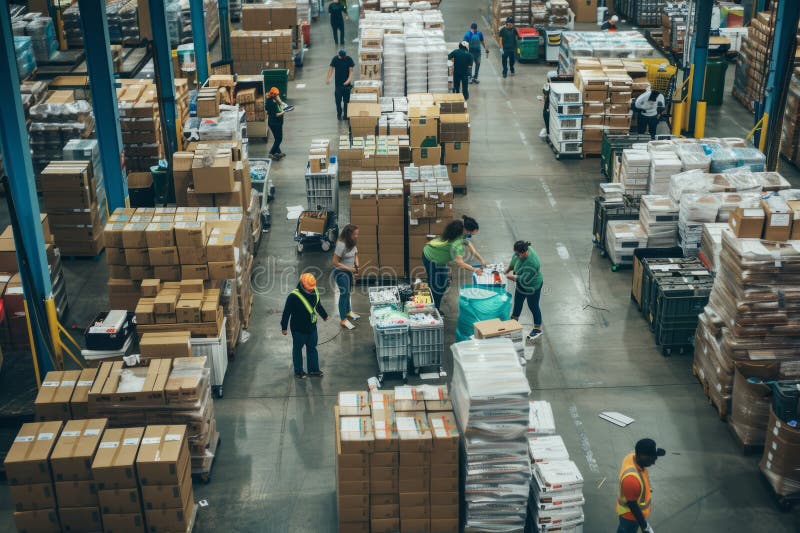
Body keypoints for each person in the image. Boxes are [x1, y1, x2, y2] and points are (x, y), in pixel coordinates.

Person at [422, 216, 486, 312]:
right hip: (431, 257)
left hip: (439, 258)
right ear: (467, 230)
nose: (470, 236)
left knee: (443, 285)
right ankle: (434, 311)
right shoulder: (457, 244)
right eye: (471, 234)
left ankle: (436, 304)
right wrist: (475, 269)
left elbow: (470, 246)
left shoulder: (460, 231)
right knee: (436, 287)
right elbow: (460, 263)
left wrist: (481, 260)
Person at [281, 273, 329, 379]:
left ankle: (313, 370)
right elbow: (286, 312)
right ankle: (299, 371)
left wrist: (324, 315)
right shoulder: (293, 296)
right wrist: (284, 327)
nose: (311, 290)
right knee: (297, 349)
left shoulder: (315, 291)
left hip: (312, 328)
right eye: (309, 288)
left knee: (312, 348)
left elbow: (318, 305)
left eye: (312, 288)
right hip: (298, 330)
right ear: (302, 285)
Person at [616, 439, 665, 533]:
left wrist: (656, 453)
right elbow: (633, 505)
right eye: (650, 459)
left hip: (633, 514)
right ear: (641, 456)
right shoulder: (631, 480)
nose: (653, 463)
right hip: (630, 517)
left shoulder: (632, 457)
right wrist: (645, 526)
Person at [505, 240, 544, 343]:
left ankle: (538, 328)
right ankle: (513, 321)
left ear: (524, 252)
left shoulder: (533, 263)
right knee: (517, 302)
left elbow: (523, 278)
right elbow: (514, 260)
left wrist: (511, 277)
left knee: (533, 306)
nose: (516, 255)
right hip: (521, 285)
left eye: (518, 254)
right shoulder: (520, 252)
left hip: (532, 286)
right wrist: (507, 269)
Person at [332, 224, 360, 329]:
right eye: (355, 234)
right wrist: (350, 269)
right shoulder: (341, 245)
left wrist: (356, 264)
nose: (357, 236)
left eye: (357, 234)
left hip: (349, 272)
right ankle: (343, 319)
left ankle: (348, 312)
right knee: (344, 295)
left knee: (348, 293)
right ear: (349, 234)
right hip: (340, 273)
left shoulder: (352, 241)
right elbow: (334, 262)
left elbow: (356, 253)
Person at [326, 49, 355, 121]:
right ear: (339, 55)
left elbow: (351, 71)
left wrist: (348, 81)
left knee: (346, 101)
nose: (342, 58)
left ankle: (346, 115)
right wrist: (328, 78)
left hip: (347, 85)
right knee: (338, 101)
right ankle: (339, 114)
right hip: (338, 85)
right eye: (341, 56)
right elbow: (331, 69)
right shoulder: (335, 59)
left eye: (343, 56)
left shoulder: (349, 59)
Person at [265, 87, 286, 160]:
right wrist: (284, 111)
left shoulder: (273, 100)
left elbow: (281, 104)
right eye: (277, 95)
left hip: (275, 123)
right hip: (275, 123)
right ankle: (271, 153)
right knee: (279, 139)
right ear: (274, 95)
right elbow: (277, 114)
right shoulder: (271, 103)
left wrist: (280, 102)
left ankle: (279, 152)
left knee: (277, 138)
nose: (278, 96)